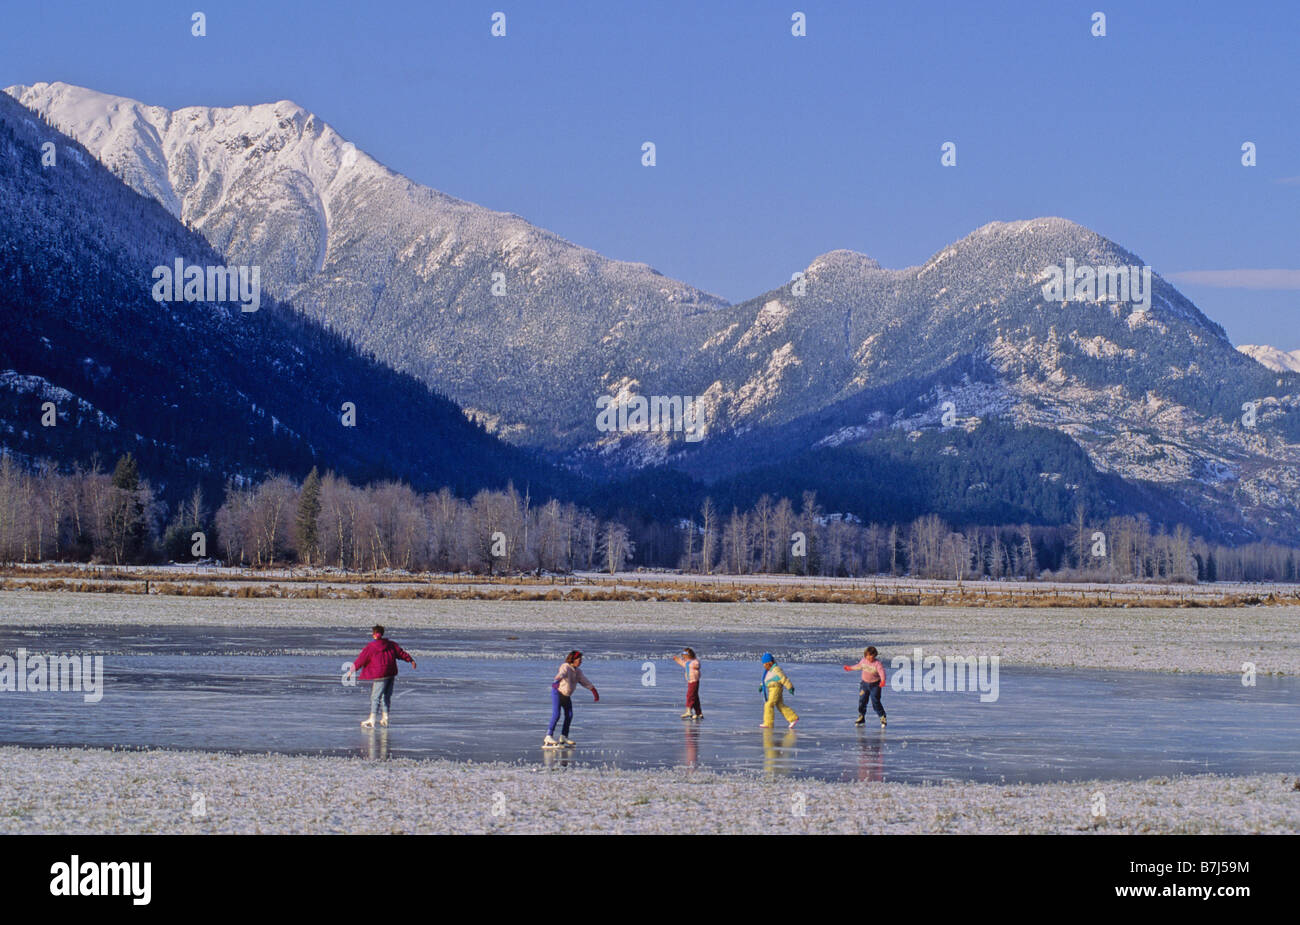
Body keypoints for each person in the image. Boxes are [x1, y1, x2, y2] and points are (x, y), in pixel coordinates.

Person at [345, 624, 416, 728]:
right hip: (390, 673)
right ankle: (385, 717)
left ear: (374, 635)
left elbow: (361, 660)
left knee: (375, 697)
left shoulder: (370, 647)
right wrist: (411, 660)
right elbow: (401, 653)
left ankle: (372, 719)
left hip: (380, 674)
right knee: (386, 696)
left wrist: (351, 670)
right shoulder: (391, 644)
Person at [545, 650, 598, 747]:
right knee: (556, 714)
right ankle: (549, 735)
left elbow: (585, 681)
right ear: (573, 659)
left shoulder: (578, 672)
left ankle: (564, 736)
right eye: (579, 660)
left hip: (566, 696)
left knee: (569, 715)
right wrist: (557, 680)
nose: (581, 661)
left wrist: (594, 691)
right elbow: (562, 673)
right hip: (557, 692)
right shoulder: (566, 666)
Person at [844, 646, 887, 727]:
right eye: (868, 655)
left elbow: (882, 673)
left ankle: (882, 717)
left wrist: (883, 681)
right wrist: (850, 668)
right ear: (865, 655)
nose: (869, 657)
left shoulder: (877, 664)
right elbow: (858, 666)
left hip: (875, 685)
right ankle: (861, 716)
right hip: (864, 685)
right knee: (862, 700)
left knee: (875, 701)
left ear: (875, 655)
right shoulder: (864, 661)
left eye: (871, 655)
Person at [758, 653, 798, 729]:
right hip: (772, 689)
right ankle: (793, 718)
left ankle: (768, 723)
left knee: (769, 704)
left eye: (764, 664)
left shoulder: (776, 669)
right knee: (780, 705)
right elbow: (766, 680)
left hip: (776, 688)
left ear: (768, 663)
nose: (763, 666)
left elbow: (784, 678)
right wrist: (761, 686)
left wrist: (790, 687)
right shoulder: (769, 671)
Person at [672, 647, 703, 719]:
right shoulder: (687, 663)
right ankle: (698, 712)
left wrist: (693, 664)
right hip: (690, 681)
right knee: (695, 697)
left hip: (694, 681)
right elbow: (683, 663)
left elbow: (697, 665)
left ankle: (688, 710)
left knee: (690, 695)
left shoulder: (694, 662)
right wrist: (677, 659)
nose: (683, 657)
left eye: (684, 656)